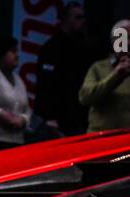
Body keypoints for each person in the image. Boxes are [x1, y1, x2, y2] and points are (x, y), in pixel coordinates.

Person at [35, 2, 95, 136]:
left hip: (79, 118)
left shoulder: (84, 48)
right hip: (58, 120)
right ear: (66, 19)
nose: (83, 21)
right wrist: (49, 116)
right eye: (78, 17)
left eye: (84, 17)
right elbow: (46, 85)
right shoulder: (52, 47)